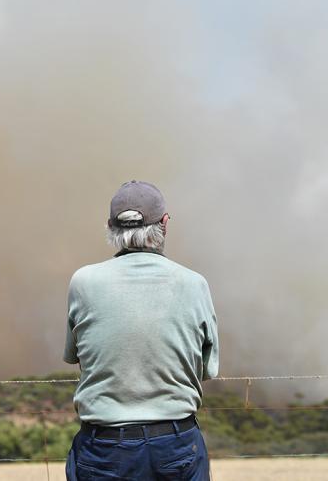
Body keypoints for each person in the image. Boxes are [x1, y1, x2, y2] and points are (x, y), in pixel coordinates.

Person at [63, 180, 219, 480]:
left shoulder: (82, 282)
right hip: (176, 445)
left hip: (104, 446)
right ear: (164, 224)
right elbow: (207, 369)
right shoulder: (195, 284)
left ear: (110, 226)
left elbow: (77, 356)